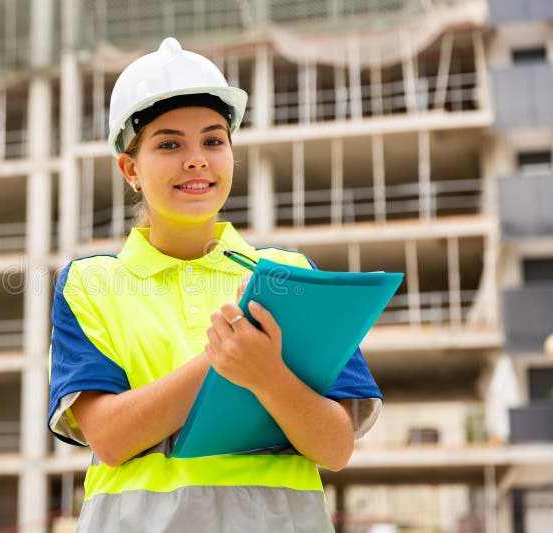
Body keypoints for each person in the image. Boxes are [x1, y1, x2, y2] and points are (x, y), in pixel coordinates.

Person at [48, 37, 382, 532]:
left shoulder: (290, 274)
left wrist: (268, 375)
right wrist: (227, 359)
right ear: (130, 169)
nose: (196, 159)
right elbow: (111, 438)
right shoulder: (91, 283)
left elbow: (335, 448)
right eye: (168, 144)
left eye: (213, 140)